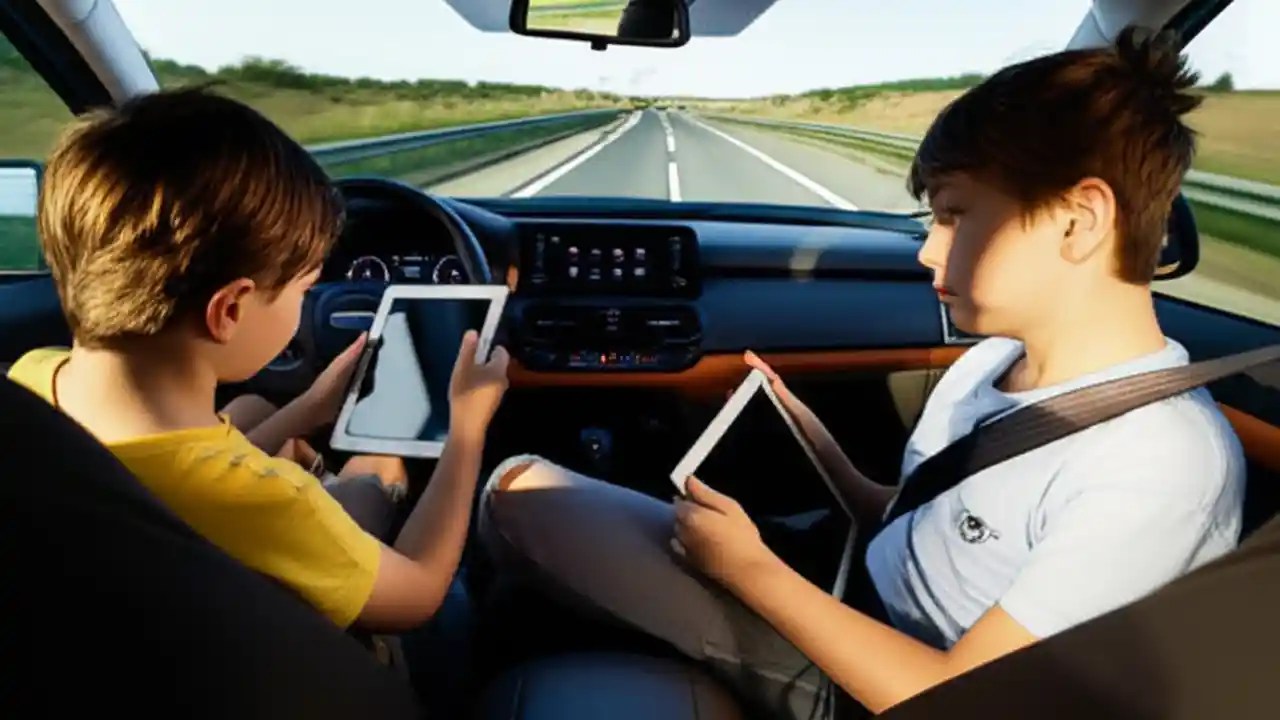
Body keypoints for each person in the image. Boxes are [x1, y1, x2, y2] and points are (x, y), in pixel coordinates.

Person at [477, 26, 1246, 718]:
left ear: (1078, 222)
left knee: (519, 495)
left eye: (954, 215)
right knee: (533, 509)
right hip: (845, 577)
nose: (926, 252)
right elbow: (928, 532)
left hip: (876, 679)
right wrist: (827, 457)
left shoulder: (1157, 466)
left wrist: (752, 575)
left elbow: (961, 698)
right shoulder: (993, 361)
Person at [7, 88, 509, 658]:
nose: (307, 302)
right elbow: (420, 594)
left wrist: (312, 409)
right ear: (229, 310)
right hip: (339, 672)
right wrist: (467, 429)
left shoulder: (28, 385)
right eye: (302, 288)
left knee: (256, 416)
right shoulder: (271, 507)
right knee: (381, 482)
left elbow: (188, 468)